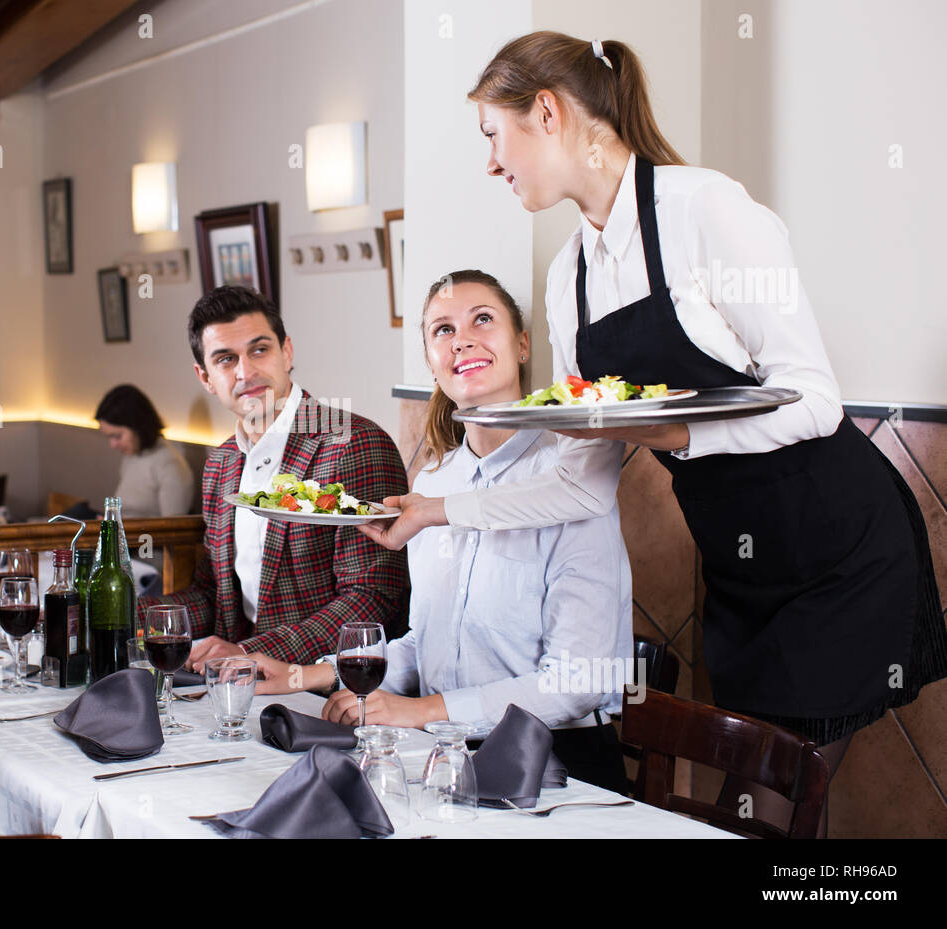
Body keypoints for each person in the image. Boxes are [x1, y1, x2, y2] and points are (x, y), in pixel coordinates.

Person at [360, 32, 946, 833]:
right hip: (740, 565)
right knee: (753, 803)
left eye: (494, 137)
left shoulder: (708, 209)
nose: (491, 164)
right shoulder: (569, 276)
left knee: (763, 807)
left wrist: (676, 437)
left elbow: (814, 400)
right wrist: (433, 511)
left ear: (547, 113)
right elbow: (575, 481)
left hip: (837, 548)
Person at [255, 271, 632, 791]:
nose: (463, 340)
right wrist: (307, 674)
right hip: (437, 753)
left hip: (555, 766)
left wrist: (419, 711)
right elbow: (426, 644)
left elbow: (576, 685)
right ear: (433, 363)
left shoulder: (570, 477)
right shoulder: (433, 483)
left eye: (483, 320)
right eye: (443, 330)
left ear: (522, 345)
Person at [141, 285, 409, 670]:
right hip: (235, 680)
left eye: (259, 350)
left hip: (329, 684)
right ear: (205, 376)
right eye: (226, 359)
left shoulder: (353, 443)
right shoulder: (221, 462)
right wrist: (126, 616)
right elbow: (214, 595)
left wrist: (251, 653)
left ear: (287, 351)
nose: (246, 372)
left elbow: (370, 598)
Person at [95, 384, 195, 517]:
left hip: (141, 537)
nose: (112, 445)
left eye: (117, 436)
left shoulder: (170, 465)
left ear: (138, 426)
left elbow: (172, 530)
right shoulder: (133, 454)